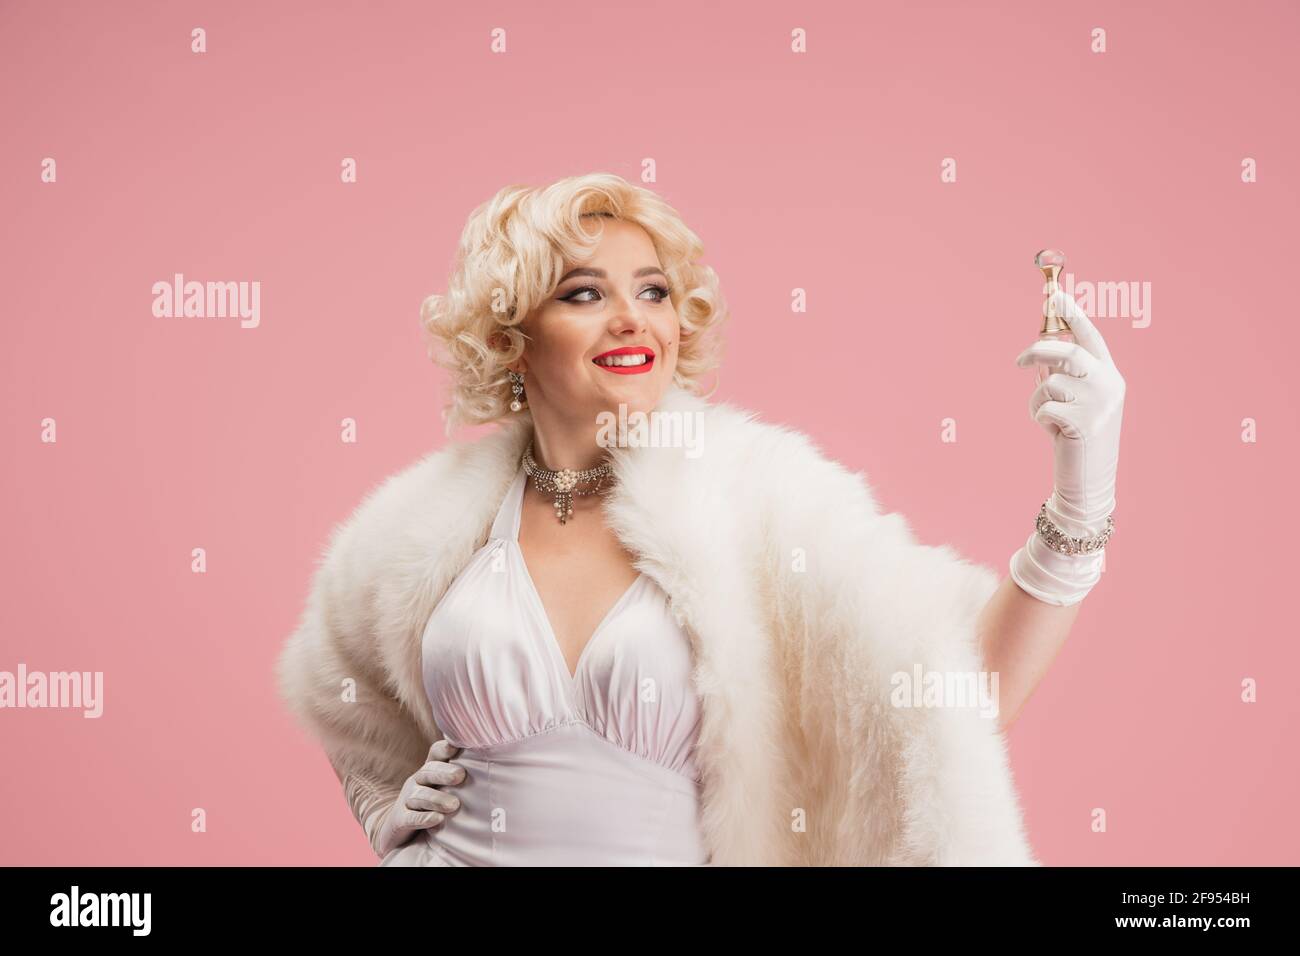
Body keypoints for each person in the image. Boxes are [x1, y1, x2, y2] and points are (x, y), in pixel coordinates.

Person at [275, 172, 1126, 866]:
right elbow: (339, 691)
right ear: (513, 335)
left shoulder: (756, 500)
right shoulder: (423, 526)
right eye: (583, 292)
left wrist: (1081, 495)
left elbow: (958, 692)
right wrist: (382, 804)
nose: (633, 317)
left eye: (653, 290)